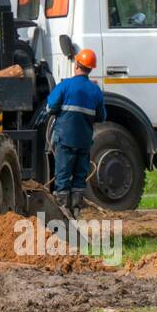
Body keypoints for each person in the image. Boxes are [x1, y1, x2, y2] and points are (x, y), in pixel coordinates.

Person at [45, 47, 106, 212]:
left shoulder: (65, 85)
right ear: (90, 68)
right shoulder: (96, 91)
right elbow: (101, 116)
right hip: (84, 141)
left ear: (77, 65)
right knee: (80, 177)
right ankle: (77, 211)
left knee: (63, 176)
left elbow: (50, 107)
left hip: (65, 139)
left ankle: (62, 212)